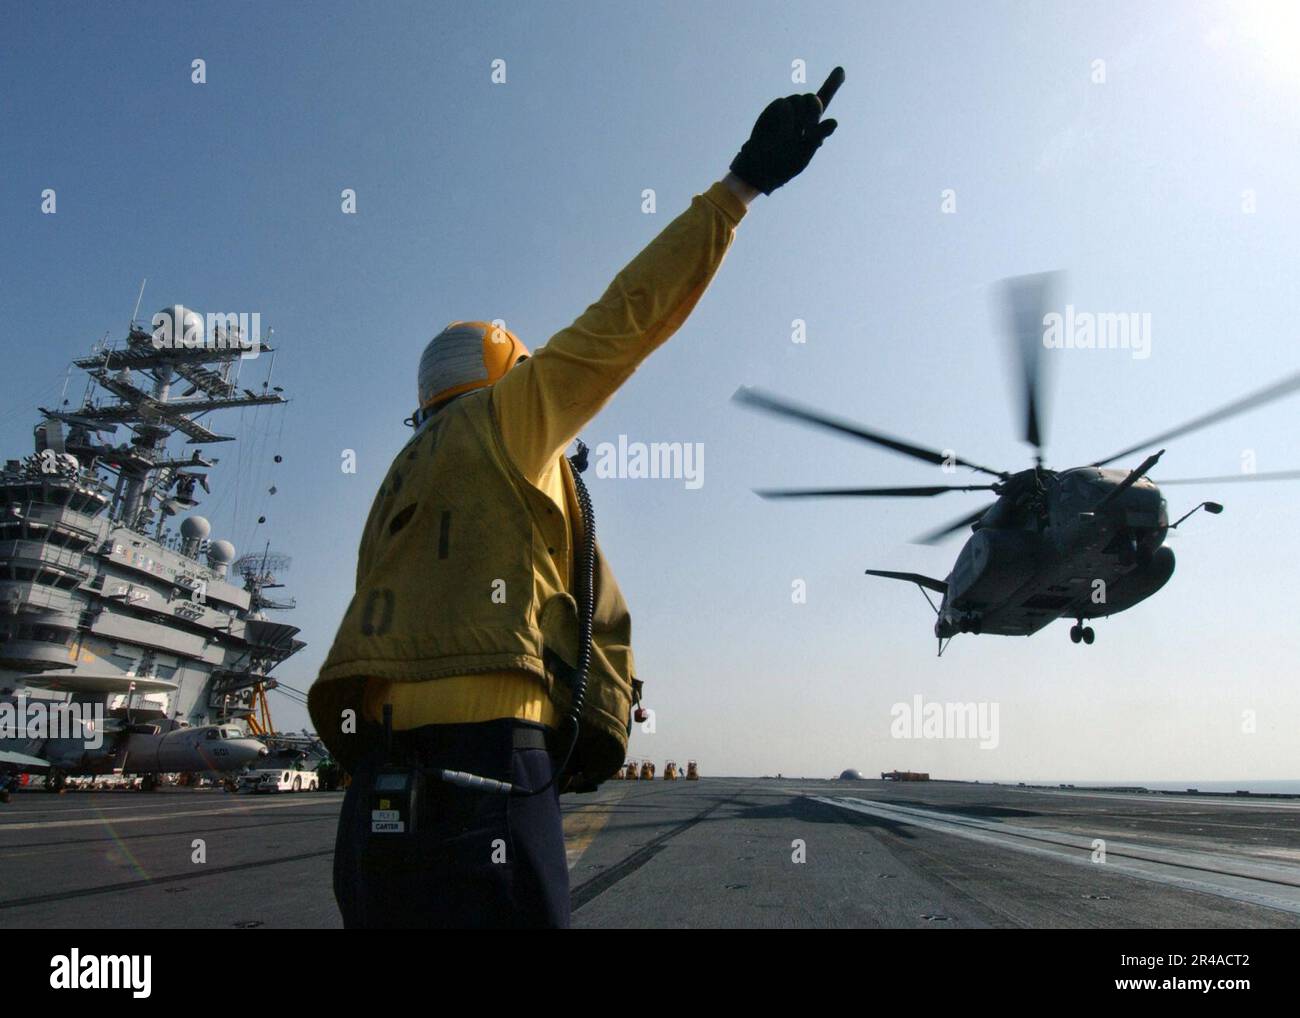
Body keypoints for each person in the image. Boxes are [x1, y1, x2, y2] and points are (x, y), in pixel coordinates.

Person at [308, 68, 845, 929]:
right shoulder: (510, 416)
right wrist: (739, 189)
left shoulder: (400, 472)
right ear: (509, 375)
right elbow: (628, 316)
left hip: (378, 786)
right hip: (487, 760)